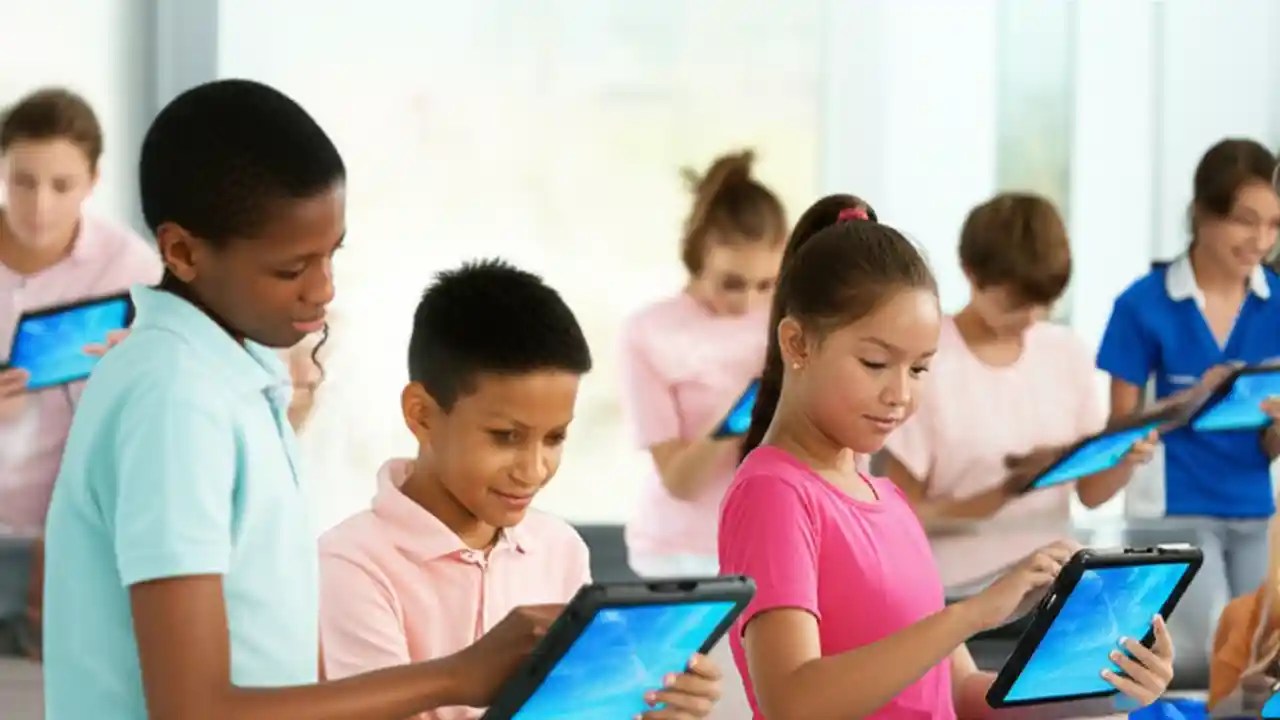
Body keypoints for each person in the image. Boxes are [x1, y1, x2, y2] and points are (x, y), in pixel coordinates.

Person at [42, 79, 564, 720]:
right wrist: (456, 677)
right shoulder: (175, 401)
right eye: (292, 269)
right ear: (181, 252)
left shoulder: (229, 378)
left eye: (331, 255)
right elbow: (191, 708)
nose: (323, 290)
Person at [718, 194, 1176, 719]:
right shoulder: (774, 491)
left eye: (918, 370)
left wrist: (1104, 684)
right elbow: (793, 703)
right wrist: (973, 615)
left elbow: (959, 693)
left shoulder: (883, 498)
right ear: (797, 344)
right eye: (875, 363)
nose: (900, 395)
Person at [319, 259, 724, 720]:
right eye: (505, 436)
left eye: (555, 438)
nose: (533, 470)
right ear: (422, 414)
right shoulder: (351, 565)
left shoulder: (560, 549)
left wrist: (647, 709)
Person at [882, 193, 1155, 592]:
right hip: (959, 595)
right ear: (970, 274)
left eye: (1041, 305)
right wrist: (1004, 494)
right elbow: (901, 518)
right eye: (1014, 304)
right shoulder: (927, 357)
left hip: (1055, 585)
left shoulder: (1066, 353)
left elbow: (1092, 494)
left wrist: (1124, 458)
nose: (1029, 319)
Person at [1096, 138, 1280, 674]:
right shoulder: (1143, 305)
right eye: (1246, 221)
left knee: (1259, 665)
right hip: (1174, 508)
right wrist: (1194, 398)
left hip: (1255, 507)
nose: (1261, 240)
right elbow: (1118, 431)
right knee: (1200, 659)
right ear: (1202, 212)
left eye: (1273, 225)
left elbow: (1272, 445)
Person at [0, 87, 161, 657]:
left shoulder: (133, 270)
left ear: (93, 181)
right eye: (22, 181)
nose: (39, 205)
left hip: (68, 546)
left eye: (61, 185)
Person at [620, 149, 792, 578]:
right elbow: (680, 482)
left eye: (766, 284)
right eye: (731, 283)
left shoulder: (792, 320)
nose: (749, 301)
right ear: (698, 256)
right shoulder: (648, 332)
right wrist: (743, 412)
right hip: (682, 555)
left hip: (777, 539)